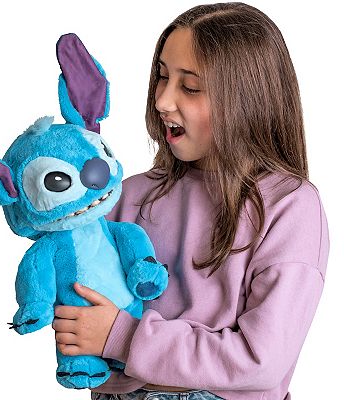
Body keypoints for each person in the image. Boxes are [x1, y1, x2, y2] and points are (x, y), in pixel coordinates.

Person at [51, 3, 329, 399]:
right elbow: (81, 308)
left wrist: (124, 337)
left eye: (190, 87)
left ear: (247, 100)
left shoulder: (289, 206)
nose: (162, 101)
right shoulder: (128, 195)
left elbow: (261, 359)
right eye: (163, 77)